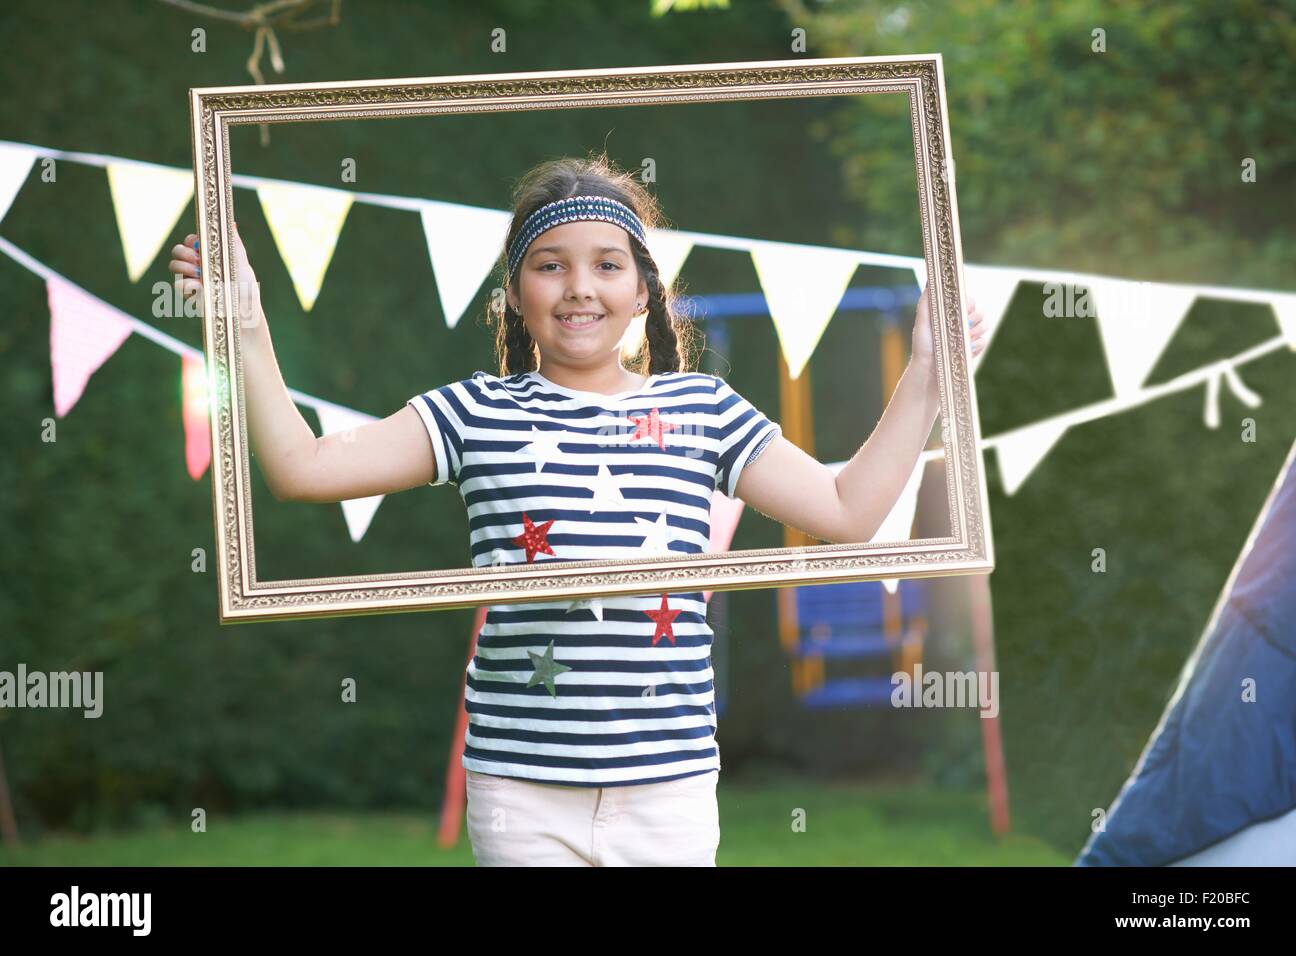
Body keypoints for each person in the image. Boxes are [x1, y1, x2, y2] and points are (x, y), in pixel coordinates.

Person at [169, 153, 988, 866]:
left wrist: (925, 373)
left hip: (668, 787)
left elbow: (848, 510)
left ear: (642, 293)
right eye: (550, 265)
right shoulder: (474, 413)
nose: (579, 288)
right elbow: (301, 467)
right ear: (516, 293)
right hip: (520, 789)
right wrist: (243, 326)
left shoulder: (704, 408)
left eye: (606, 265)